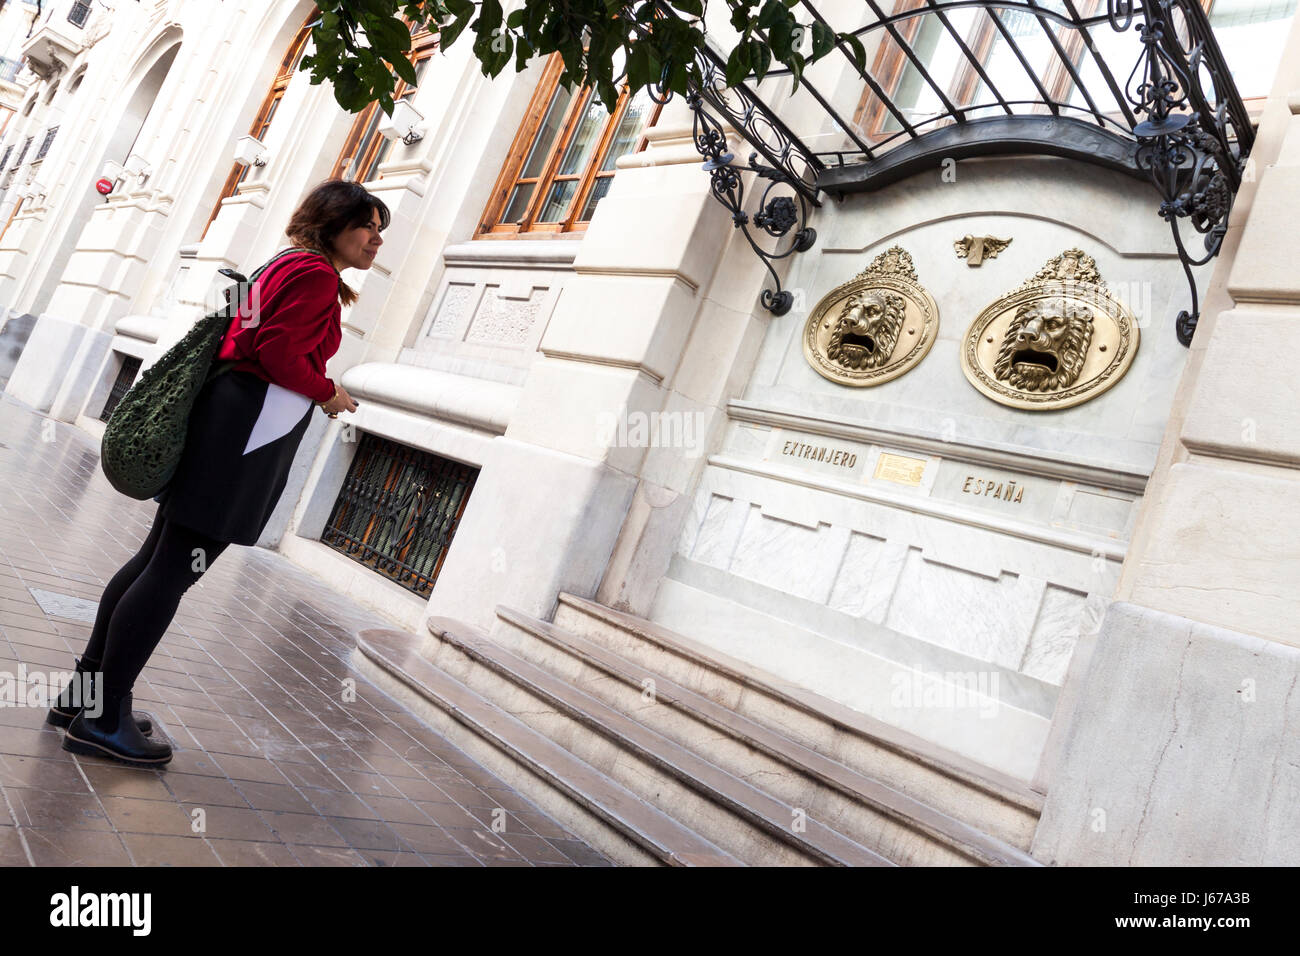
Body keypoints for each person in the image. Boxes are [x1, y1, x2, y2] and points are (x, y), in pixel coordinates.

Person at [47, 179, 387, 767]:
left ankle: (83, 699)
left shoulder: (283, 262)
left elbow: (237, 331)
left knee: (155, 559)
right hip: (245, 433)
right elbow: (276, 353)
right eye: (368, 226)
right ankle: (102, 720)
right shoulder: (314, 277)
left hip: (225, 417)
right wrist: (327, 390)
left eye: (381, 230)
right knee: (174, 570)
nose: (376, 241)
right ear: (332, 224)